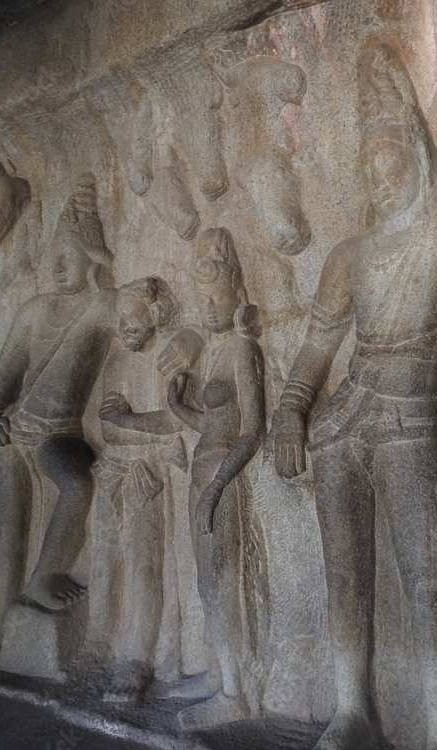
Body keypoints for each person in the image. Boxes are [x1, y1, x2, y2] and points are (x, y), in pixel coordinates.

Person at [270, 2, 437, 747]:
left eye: (386, 152)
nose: (375, 171)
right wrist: (290, 409)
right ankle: (352, 708)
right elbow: (314, 351)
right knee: (344, 576)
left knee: (423, 573)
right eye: (365, 160)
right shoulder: (349, 256)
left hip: (406, 418)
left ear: (417, 153)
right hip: (344, 417)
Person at [0, 177, 115, 653]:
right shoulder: (34, 311)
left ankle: (45, 575)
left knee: (77, 484)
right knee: (5, 525)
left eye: (69, 257)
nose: (57, 267)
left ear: (90, 260)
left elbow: (128, 309)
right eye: (53, 256)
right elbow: (5, 374)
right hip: (15, 428)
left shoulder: (99, 308)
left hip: (60, 433)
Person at [160, 229, 268, 730]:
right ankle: (217, 672)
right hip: (205, 467)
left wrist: (218, 487)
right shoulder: (214, 352)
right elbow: (213, 424)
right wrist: (179, 406)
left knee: (225, 581)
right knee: (206, 581)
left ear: (236, 294)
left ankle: (236, 693)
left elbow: (251, 432)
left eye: (216, 296)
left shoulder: (245, 349)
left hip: (225, 476)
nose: (207, 306)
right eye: (200, 297)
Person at [82, 276, 187, 702]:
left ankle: (137, 659)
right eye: (120, 317)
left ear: (155, 313)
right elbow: (109, 429)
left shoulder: (170, 357)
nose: (125, 323)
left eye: (133, 314)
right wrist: (140, 426)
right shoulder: (117, 364)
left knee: (144, 566)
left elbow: (175, 420)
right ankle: (97, 642)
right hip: (115, 472)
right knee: (105, 561)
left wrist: (133, 422)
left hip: (148, 476)